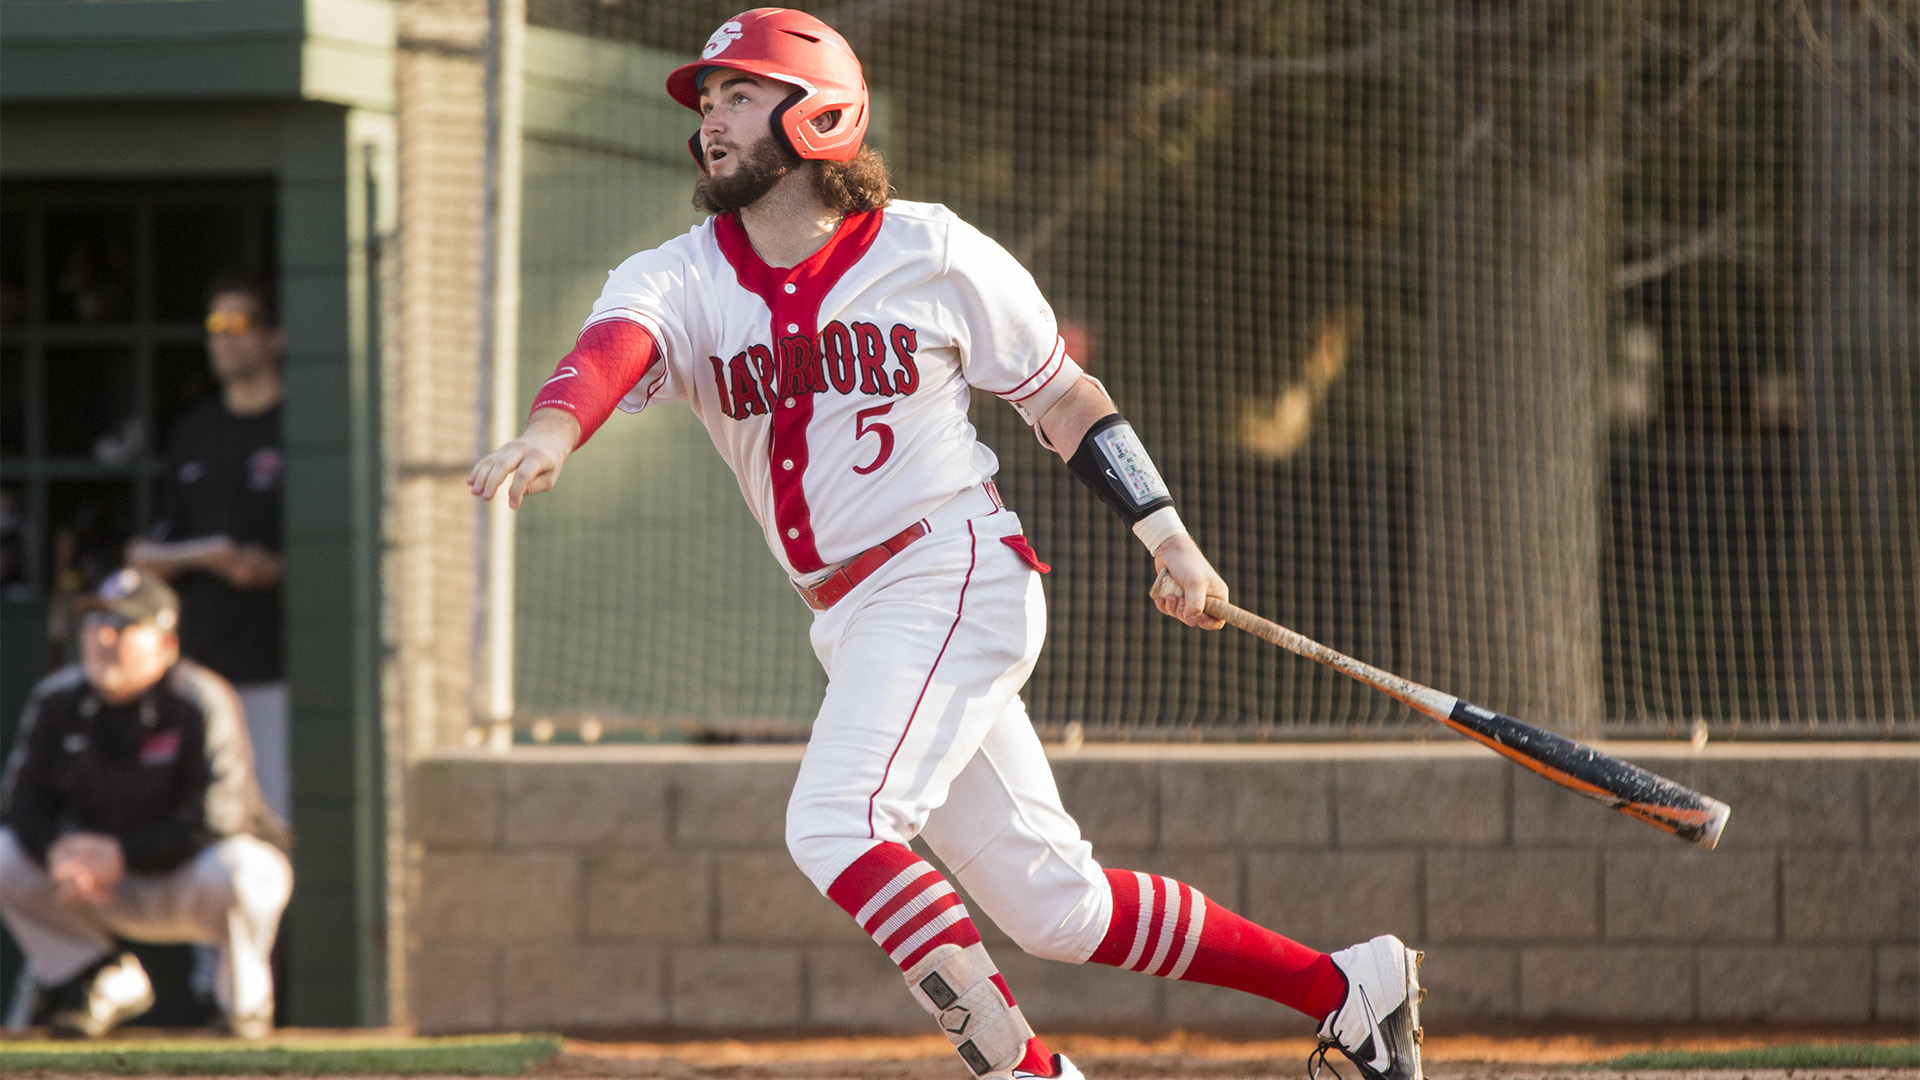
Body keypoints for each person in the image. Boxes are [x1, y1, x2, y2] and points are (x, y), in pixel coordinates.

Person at [468, 10, 1422, 1079]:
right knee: (1057, 907)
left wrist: (1171, 539)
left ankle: (1025, 1073)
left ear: (819, 113)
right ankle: (1346, 987)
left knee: (835, 823)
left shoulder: (931, 248)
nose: (712, 119)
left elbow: (1064, 398)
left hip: (952, 571)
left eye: (739, 94)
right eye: (707, 100)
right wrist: (550, 433)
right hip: (856, 616)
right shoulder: (679, 273)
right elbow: (609, 351)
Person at [0, 568, 292, 1038]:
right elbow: (23, 803)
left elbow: (218, 817)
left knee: (249, 868)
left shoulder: (200, 697)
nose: (104, 638)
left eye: (124, 626)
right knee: (4, 855)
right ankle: (99, 974)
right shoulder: (57, 699)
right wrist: (58, 852)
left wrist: (121, 854)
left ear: (166, 644)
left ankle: (242, 1004)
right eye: (97, 624)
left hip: (191, 880)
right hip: (98, 886)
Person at [127, 275, 288, 823]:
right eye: (214, 326)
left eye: (239, 323)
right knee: (198, 822)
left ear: (274, 338)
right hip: (196, 669)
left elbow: (276, 566)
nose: (224, 338)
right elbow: (149, 554)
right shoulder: (194, 432)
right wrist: (212, 554)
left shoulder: (297, 428)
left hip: (275, 668)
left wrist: (248, 565)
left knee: (272, 821)